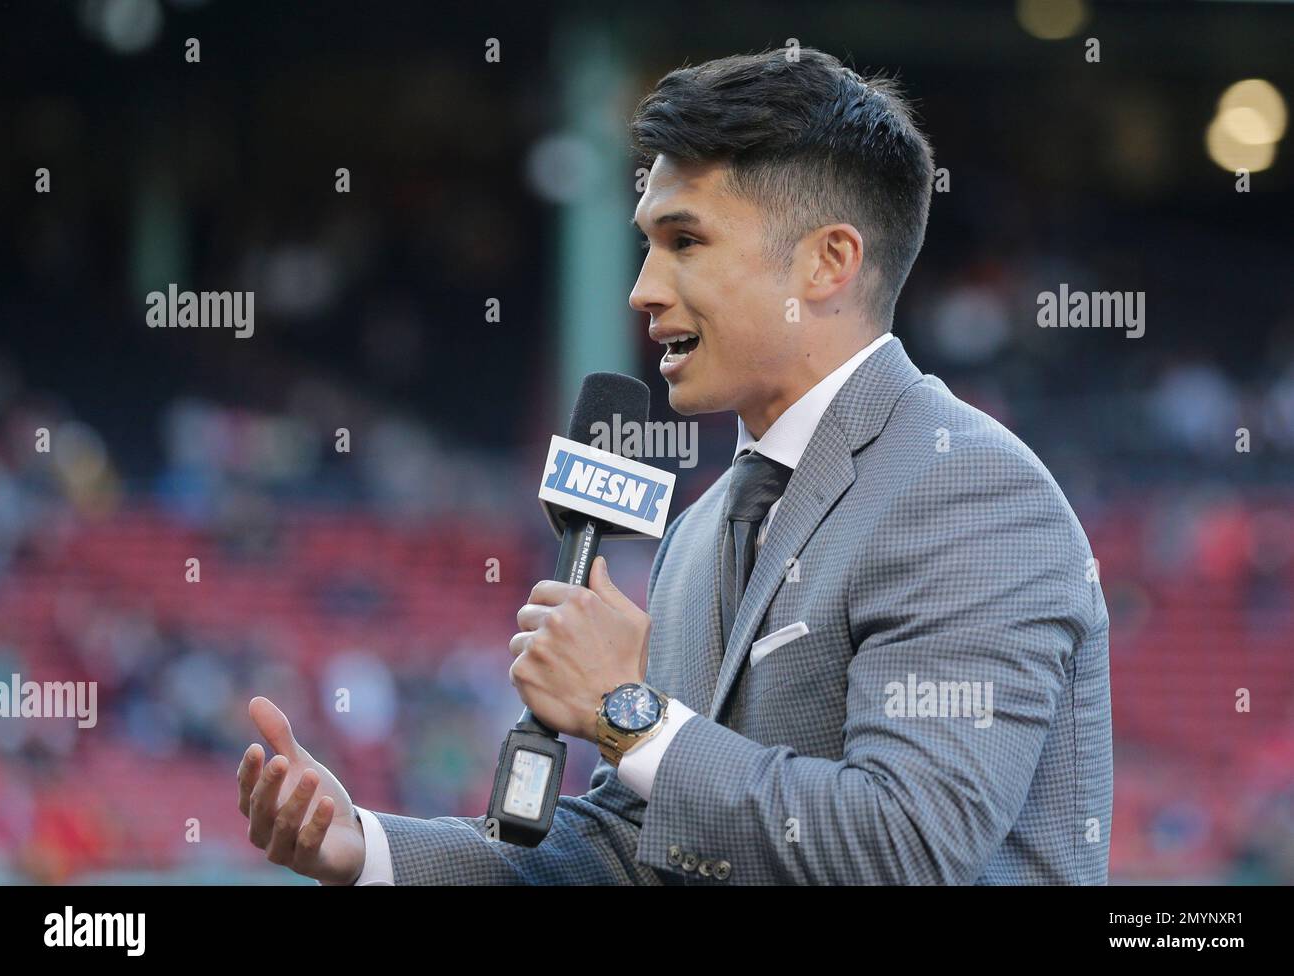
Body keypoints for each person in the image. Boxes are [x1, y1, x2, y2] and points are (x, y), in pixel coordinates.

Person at [237, 46, 1112, 885]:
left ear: (828, 262)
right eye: (649, 243)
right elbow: (635, 847)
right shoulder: (699, 533)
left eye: (686, 241)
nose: (643, 287)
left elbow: (907, 848)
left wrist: (630, 710)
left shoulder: (969, 492)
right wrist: (368, 851)